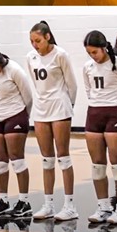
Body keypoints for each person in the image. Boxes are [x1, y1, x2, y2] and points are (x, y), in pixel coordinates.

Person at [25, 20, 80, 220]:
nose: (34, 44)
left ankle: (69, 205)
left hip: (59, 107)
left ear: (47, 37)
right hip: (41, 110)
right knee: (47, 159)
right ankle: (48, 204)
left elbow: (72, 84)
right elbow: (35, 83)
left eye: (37, 40)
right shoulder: (30, 57)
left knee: (63, 157)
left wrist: (68, 106)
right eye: (31, 41)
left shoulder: (60, 55)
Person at [80, 31, 117, 224]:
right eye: (89, 53)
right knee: (97, 165)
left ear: (104, 48)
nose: (92, 56)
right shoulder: (87, 67)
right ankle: (103, 207)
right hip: (94, 114)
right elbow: (88, 90)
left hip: (115, 114)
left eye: (95, 52)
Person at [0, 47, 34, 219]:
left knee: (17, 159)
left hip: (15, 115)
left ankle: (24, 202)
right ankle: (3, 200)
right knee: (0, 162)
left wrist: (23, 117)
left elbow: (28, 97)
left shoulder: (14, 71)